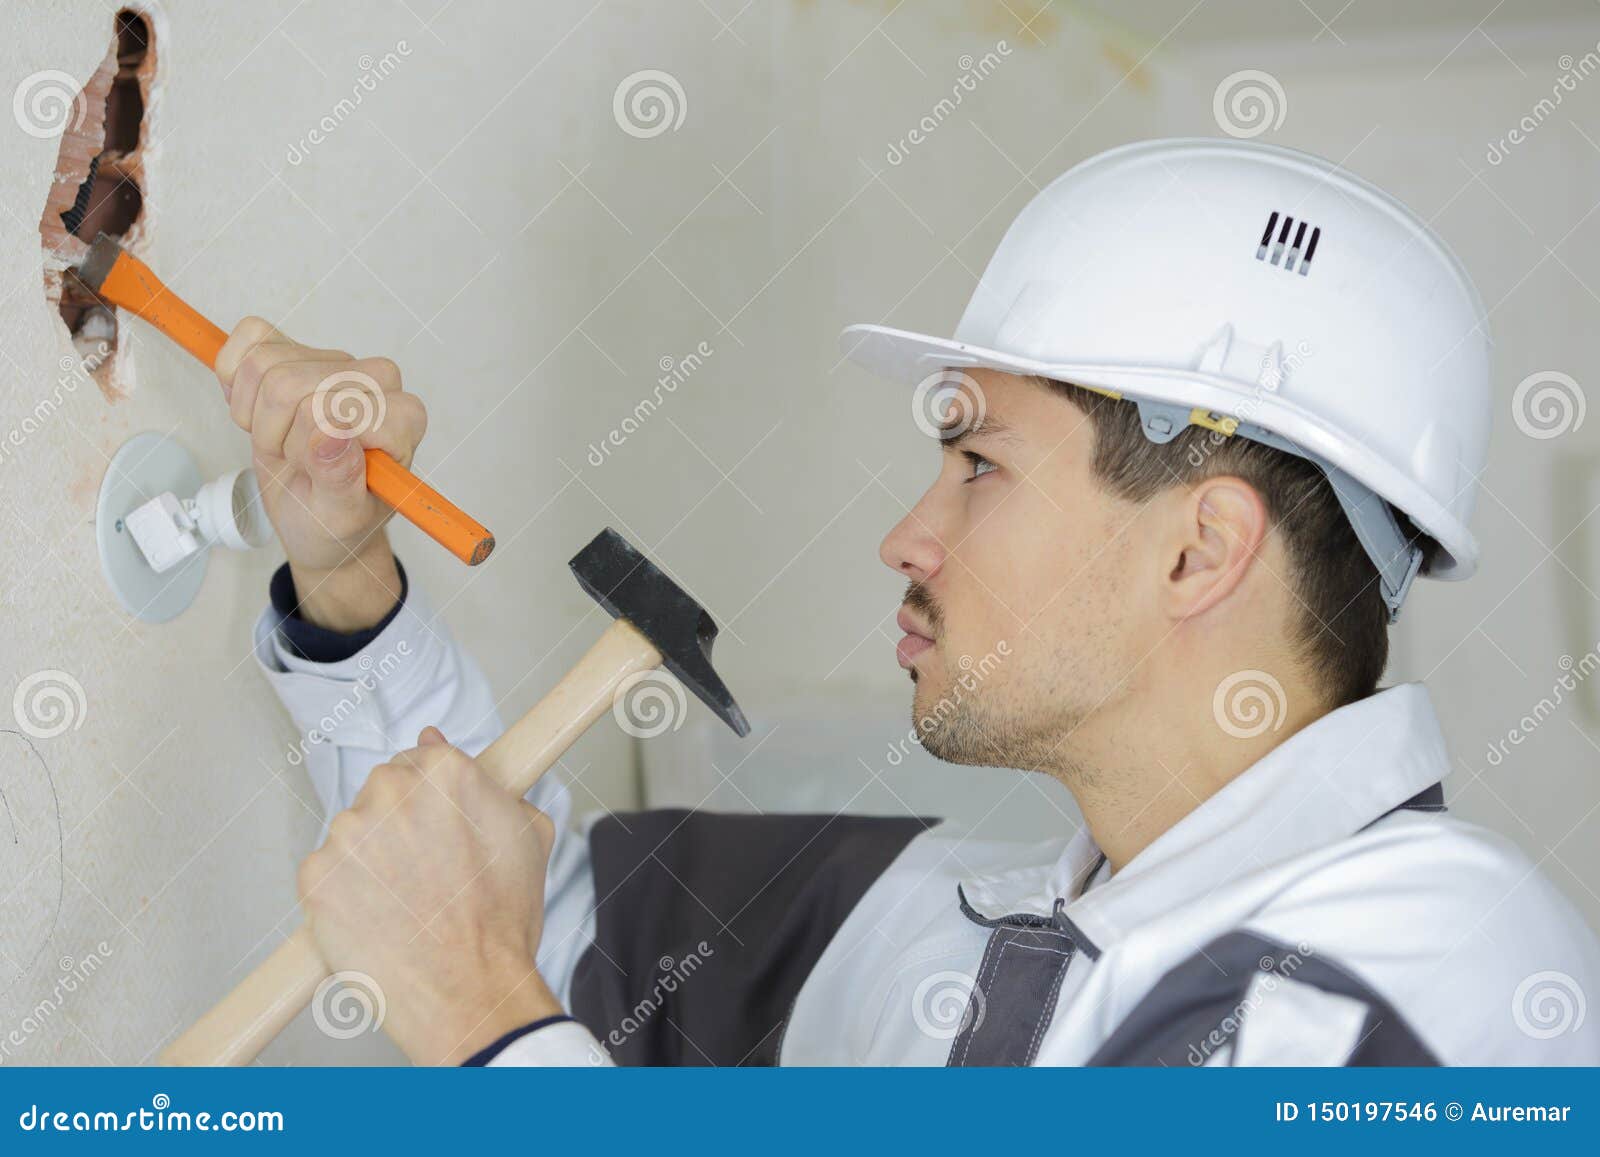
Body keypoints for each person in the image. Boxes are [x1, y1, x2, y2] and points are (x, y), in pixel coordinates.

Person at [223, 138, 1600, 1067]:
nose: (906, 536)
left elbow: (490, 979)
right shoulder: (951, 926)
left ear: (1199, 551)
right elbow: (528, 922)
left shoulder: (1423, 988)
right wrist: (350, 583)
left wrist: (479, 1015)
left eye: (979, 463)